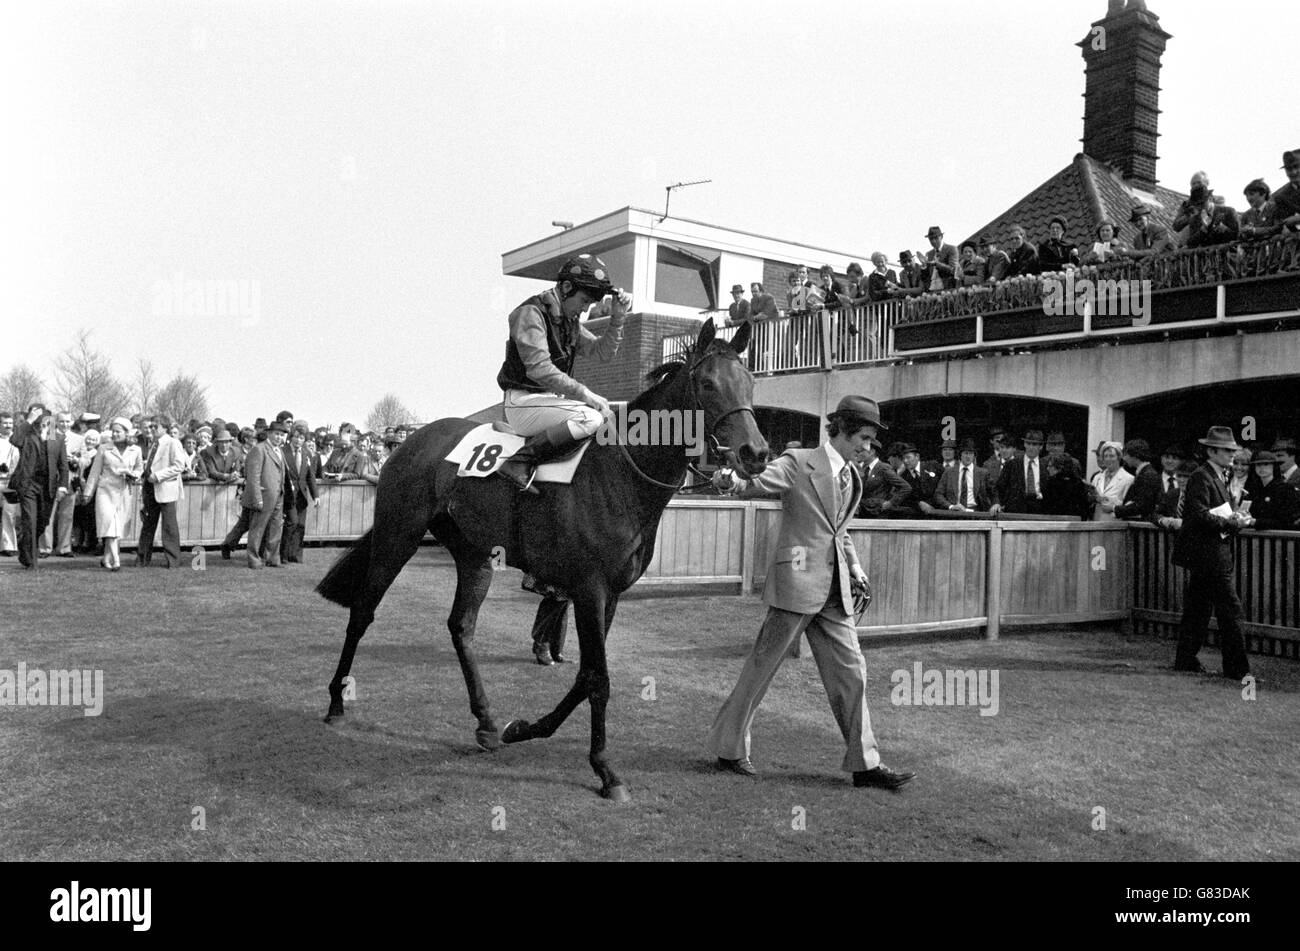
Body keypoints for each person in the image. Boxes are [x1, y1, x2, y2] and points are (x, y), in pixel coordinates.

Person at [708, 395, 914, 790]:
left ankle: (865, 765)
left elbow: (840, 530)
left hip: (835, 591)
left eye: (871, 441)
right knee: (761, 670)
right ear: (840, 430)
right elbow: (759, 478)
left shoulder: (853, 476)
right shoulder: (798, 461)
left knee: (853, 672)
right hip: (797, 583)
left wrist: (855, 567)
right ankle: (729, 749)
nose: (867, 448)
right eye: (864, 439)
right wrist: (733, 479)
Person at [495, 254, 631, 494]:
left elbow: (603, 353)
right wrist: (585, 394)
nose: (586, 309)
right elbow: (539, 369)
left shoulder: (569, 322)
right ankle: (519, 461)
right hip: (522, 403)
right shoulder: (530, 313)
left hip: (547, 403)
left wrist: (618, 317)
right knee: (591, 418)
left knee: (608, 417)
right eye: (584, 301)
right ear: (566, 287)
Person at [1172, 427, 1254, 681]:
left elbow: (1206, 513)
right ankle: (1237, 669)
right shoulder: (1203, 476)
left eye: (1233, 450)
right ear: (1211, 451)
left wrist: (1234, 518)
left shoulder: (1215, 475)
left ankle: (1185, 660)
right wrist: (1232, 523)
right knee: (1231, 610)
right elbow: (1198, 514)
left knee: (1198, 608)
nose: (1232, 454)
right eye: (1227, 450)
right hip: (1210, 555)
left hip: (1209, 553)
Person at [8, 406, 69, 569]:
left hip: (47, 486)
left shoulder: (57, 437)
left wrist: (63, 486)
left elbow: (63, 465)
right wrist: (28, 420)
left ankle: (24, 546)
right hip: (27, 485)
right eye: (37, 417)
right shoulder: (27, 434)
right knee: (30, 521)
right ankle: (32, 562)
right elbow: (15, 440)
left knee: (42, 523)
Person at [82, 417, 143, 571]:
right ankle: (116, 559)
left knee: (117, 526)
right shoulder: (104, 448)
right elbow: (95, 472)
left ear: (126, 433)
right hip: (105, 491)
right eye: (113, 431)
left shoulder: (136, 450)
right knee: (109, 523)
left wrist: (133, 474)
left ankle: (105, 558)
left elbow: (139, 469)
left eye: (118, 431)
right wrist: (88, 492)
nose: (115, 434)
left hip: (124, 491)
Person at [137, 414, 187, 568]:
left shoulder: (173, 442)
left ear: (165, 428)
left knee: (169, 526)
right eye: (150, 426)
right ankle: (142, 559)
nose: (151, 429)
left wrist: (158, 476)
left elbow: (179, 466)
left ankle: (173, 561)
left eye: (155, 426)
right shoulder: (154, 443)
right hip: (150, 488)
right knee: (148, 524)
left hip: (165, 489)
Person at [242, 420, 288, 568]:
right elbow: (253, 476)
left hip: (278, 496)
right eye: (276, 434)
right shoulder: (259, 449)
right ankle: (254, 560)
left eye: (282, 435)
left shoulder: (279, 451)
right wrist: (257, 498)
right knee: (257, 529)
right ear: (269, 433)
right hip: (264, 496)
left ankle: (272, 558)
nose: (279, 437)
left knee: (275, 528)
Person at [281, 426, 320, 564]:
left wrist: (316, 495)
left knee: (300, 526)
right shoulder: (282, 452)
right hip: (288, 495)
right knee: (292, 522)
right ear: (291, 437)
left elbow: (310, 477)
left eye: (302, 438)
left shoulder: (306, 453)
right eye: (296, 437)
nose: (298, 440)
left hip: (302, 495)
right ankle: (283, 555)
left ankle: (295, 555)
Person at [991, 429, 1046, 515]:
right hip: (1017, 509)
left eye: (1034, 444)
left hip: (1040, 509)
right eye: (1028, 444)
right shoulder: (1012, 464)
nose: (1031, 447)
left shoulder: (1045, 465)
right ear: (1024, 444)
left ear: (1041, 446)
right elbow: (998, 488)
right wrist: (996, 503)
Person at [855, 437, 910, 517]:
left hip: (878, 514)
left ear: (872, 452)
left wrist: (890, 503)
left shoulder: (883, 468)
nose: (858, 453)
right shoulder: (860, 468)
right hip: (862, 512)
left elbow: (905, 487)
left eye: (861, 451)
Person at [934, 438, 992, 511]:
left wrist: (996, 504)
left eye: (971, 453)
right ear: (960, 455)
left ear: (974, 456)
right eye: (965, 453)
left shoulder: (982, 473)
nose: (968, 456)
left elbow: (993, 493)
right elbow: (938, 494)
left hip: (975, 512)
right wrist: (951, 506)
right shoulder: (949, 472)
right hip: (954, 512)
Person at [1247, 450, 1299, 530]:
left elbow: (1287, 521)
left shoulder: (1286, 489)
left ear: (1274, 466)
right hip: (1252, 538)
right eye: (1258, 465)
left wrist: (1256, 522)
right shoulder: (1253, 490)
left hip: (1279, 538)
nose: (1262, 468)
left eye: (1266, 464)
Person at [1114, 438, 1163, 521]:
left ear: (1135, 455)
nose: (1124, 458)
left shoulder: (1148, 475)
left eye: (1126, 454)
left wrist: (1115, 509)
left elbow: (1143, 506)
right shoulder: (1143, 473)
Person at [1181, 183, 1239, 249]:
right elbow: (1190, 243)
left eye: (1202, 203)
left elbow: (1238, 237)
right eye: (1196, 204)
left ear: (1210, 198)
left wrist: (1225, 230)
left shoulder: (1228, 212)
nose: (1200, 207)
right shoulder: (1195, 219)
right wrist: (1203, 231)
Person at [1090, 441, 1133, 521]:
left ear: (1119, 458)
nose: (1108, 459)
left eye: (1112, 456)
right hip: (1096, 522)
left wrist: (1112, 504)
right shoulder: (1097, 478)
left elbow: (1129, 506)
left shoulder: (1128, 479)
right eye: (1105, 456)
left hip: (1115, 525)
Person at [1041, 452, 1091, 519]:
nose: (1047, 468)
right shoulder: (1080, 484)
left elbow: (1046, 508)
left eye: (1050, 466)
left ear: (1058, 468)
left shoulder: (1050, 484)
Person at [0, 411, 20, 556]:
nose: (8, 426)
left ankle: (9, 546)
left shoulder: (17, 441)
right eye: (5, 423)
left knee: (9, 513)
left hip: (11, 482)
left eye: (10, 423)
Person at [1269, 150, 1300, 233]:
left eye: (1296, 167)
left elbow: (1294, 220)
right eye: (1289, 169)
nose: (1293, 172)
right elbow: (1288, 224)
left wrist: (1298, 218)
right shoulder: (1281, 197)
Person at [921, 226, 959, 291]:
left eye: (936, 238)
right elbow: (925, 277)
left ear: (941, 237)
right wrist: (924, 267)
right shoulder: (929, 254)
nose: (933, 241)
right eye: (931, 239)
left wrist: (937, 264)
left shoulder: (951, 249)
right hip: (932, 291)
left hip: (947, 290)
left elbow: (953, 270)